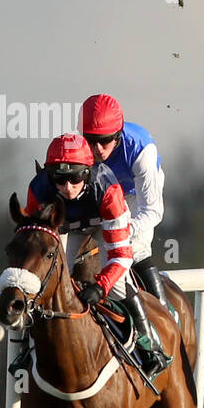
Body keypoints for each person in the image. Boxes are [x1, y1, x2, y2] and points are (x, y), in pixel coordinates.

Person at [24, 133, 171, 377]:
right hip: (66, 226)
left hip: (104, 223)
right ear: (49, 176)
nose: (67, 187)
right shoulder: (38, 191)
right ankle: (26, 346)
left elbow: (122, 256)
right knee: (48, 281)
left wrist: (101, 287)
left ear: (87, 172)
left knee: (117, 287)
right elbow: (33, 248)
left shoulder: (109, 191)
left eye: (75, 178)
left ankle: (150, 345)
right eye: (59, 179)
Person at [80, 94, 168, 303]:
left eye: (104, 141)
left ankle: (163, 311)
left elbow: (153, 211)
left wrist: (125, 230)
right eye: (90, 140)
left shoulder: (141, 150)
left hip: (135, 194)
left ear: (118, 136)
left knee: (135, 248)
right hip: (106, 194)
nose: (97, 149)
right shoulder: (79, 148)